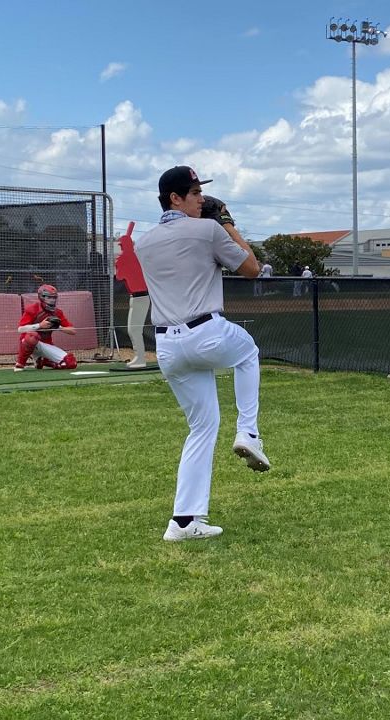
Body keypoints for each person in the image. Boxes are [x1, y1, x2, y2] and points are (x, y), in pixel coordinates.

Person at [134, 165, 269, 542]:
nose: (201, 199)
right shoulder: (208, 229)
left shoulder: (143, 242)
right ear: (174, 198)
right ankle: (250, 433)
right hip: (204, 331)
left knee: (202, 427)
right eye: (194, 193)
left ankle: (183, 522)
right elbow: (252, 268)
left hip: (167, 346)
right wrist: (225, 222)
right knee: (248, 352)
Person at [14, 284, 78, 371]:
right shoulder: (33, 309)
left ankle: (43, 361)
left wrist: (58, 327)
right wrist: (40, 325)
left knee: (70, 363)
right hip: (29, 343)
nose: (52, 300)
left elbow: (73, 331)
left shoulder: (58, 313)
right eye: (49, 297)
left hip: (46, 345)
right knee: (32, 336)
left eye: (54, 298)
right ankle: (20, 363)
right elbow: (20, 329)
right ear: (42, 297)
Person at [114, 221, 149, 369]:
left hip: (140, 296)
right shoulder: (133, 255)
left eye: (121, 246)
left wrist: (118, 264)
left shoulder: (128, 257)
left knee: (134, 329)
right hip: (138, 296)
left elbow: (119, 277)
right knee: (133, 329)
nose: (120, 248)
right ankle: (138, 357)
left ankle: (140, 358)